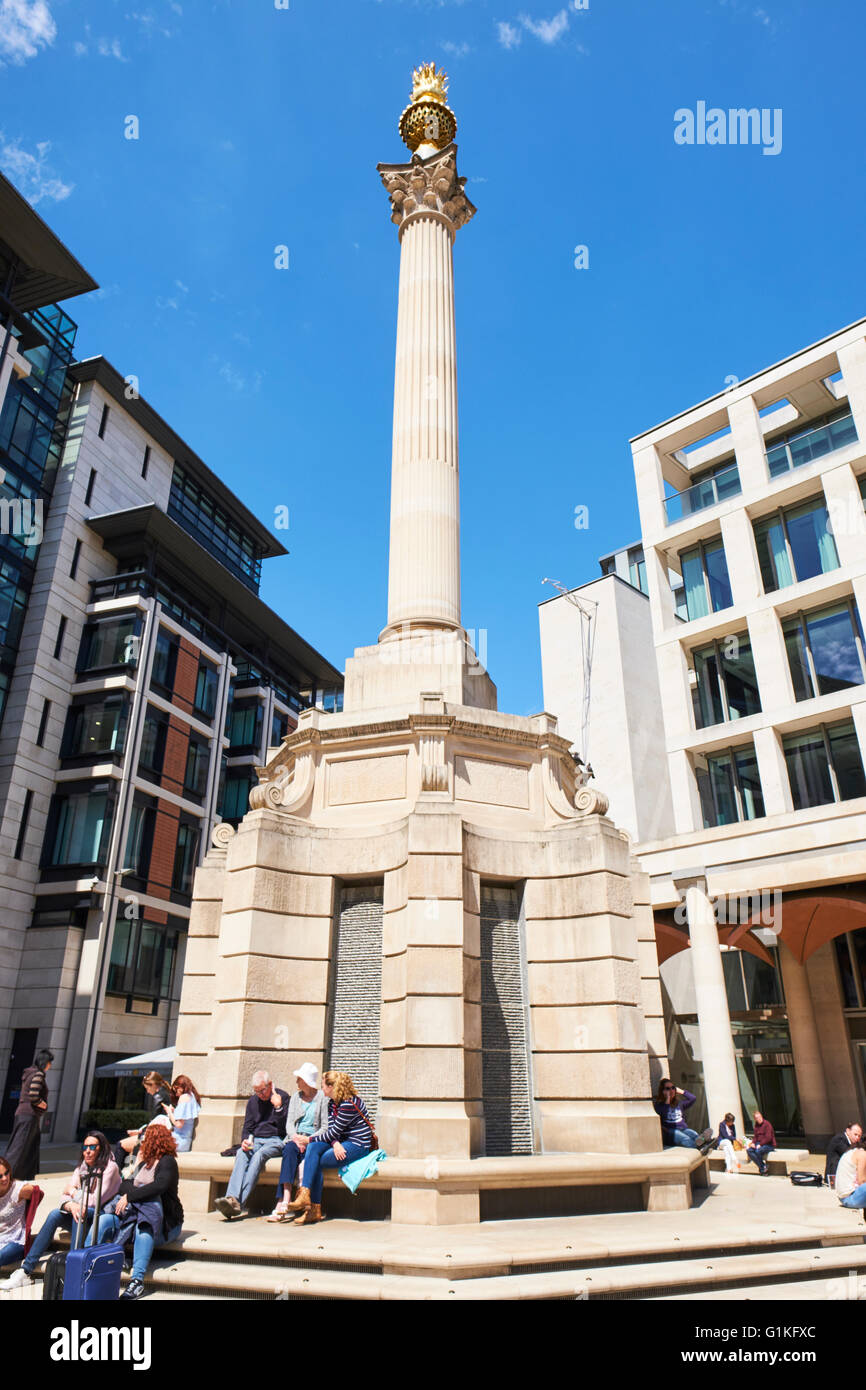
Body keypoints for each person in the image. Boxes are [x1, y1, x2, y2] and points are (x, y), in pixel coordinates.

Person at [3, 1131, 120, 1291]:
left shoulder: (110, 1168)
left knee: (80, 1212)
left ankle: (73, 1270)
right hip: (81, 1215)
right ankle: (26, 1270)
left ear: (102, 1148)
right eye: (85, 1147)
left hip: (101, 1218)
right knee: (55, 1214)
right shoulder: (82, 1168)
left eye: (92, 1147)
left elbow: (94, 1201)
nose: (87, 1150)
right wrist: (70, 1205)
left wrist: (73, 1193)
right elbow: (63, 1199)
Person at [101, 1121, 184, 1301]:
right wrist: (132, 1190)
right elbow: (124, 1185)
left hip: (165, 1226)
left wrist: (131, 1196)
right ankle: (90, 1263)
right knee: (105, 1221)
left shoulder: (167, 1162)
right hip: (133, 1217)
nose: (141, 1143)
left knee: (144, 1224)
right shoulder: (143, 1164)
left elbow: (159, 1186)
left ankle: (137, 1281)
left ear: (155, 1141)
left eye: (144, 1140)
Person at [284, 1070, 375, 1227]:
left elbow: (333, 1132)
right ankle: (307, 1197)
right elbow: (331, 1131)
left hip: (358, 1144)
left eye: (323, 1086)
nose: (321, 1090)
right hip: (341, 1141)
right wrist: (335, 1143)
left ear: (332, 1087)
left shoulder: (348, 1104)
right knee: (314, 1148)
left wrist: (309, 1139)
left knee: (317, 1158)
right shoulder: (333, 1103)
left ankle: (312, 1206)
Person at [214, 1071, 290, 1220]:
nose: (260, 1094)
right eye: (256, 1091)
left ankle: (238, 1204)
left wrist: (279, 1107)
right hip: (256, 1140)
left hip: (276, 1140)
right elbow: (248, 1127)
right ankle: (231, 1198)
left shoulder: (283, 1097)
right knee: (242, 1153)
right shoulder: (253, 1101)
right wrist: (245, 1140)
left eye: (262, 1090)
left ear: (270, 1085)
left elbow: (285, 1128)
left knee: (259, 1157)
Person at [266, 1063, 329, 1222]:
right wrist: (296, 1138)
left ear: (307, 1081)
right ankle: (285, 1198)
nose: (296, 1082)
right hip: (295, 1138)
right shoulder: (295, 1097)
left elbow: (325, 1126)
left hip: (312, 1139)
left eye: (299, 1079)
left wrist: (308, 1140)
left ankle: (299, 1202)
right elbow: (289, 1124)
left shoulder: (322, 1098)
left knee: (307, 1157)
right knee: (289, 1151)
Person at [3, 1049, 53, 1181]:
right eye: (49, 1063)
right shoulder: (38, 1074)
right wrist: (44, 1105)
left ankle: (22, 1177)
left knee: (27, 1148)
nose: (50, 1066)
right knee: (19, 1148)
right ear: (45, 1062)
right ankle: (5, 1177)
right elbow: (33, 1095)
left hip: (25, 1114)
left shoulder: (30, 1073)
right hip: (29, 1115)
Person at [112, 1071, 174, 1171]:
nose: (147, 1091)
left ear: (153, 1085)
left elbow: (153, 1121)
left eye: (147, 1088)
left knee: (121, 1145)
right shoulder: (165, 1094)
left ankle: (116, 1175)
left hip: (152, 1136)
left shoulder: (158, 1097)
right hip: (160, 1134)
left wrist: (139, 1131)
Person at [653, 1079, 714, 1152]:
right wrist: (667, 1099)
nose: (671, 1090)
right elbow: (664, 1113)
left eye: (673, 1088)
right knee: (685, 1138)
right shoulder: (659, 1105)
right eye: (668, 1088)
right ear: (663, 1091)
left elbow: (693, 1098)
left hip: (683, 1129)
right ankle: (701, 1146)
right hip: (669, 1132)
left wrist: (681, 1091)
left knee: (694, 1134)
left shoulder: (679, 1103)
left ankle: (705, 1142)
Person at [0, 1157, 35, 1273]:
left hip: (16, 1241)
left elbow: (37, 1192)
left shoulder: (18, 1189)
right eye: (0, 1176)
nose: (5, 1178)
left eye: (6, 1173)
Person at [165, 1076, 201, 1154]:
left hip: (178, 1140)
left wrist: (169, 1112)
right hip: (184, 1142)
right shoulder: (191, 1096)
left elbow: (179, 1124)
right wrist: (174, 1111)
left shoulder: (184, 1097)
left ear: (181, 1087)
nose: (176, 1094)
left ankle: (135, 1163)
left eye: (176, 1090)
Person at [825, 1122, 862, 1187]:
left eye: (859, 1136)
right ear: (848, 1131)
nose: (857, 1138)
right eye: (855, 1134)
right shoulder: (839, 1139)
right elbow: (851, 1155)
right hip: (833, 1177)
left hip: (841, 1177)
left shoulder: (851, 1142)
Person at [834, 1139, 866, 1213]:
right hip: (850, 1198)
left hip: (845, 1198)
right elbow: (862, 1181)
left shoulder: (852, 1151)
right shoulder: (862, 1154)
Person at [746, 1110, 777, 1175]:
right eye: (757, 1118)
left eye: (759, 1117)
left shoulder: (767, 1124)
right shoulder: (756, 1125)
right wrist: (753, 1143)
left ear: (761, 1116)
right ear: (755, 1119)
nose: (759, 1119)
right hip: (759, 1144)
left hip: (769, 1144)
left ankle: (762, 1169)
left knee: (758, 1151)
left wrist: (760, 1144)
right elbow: (755, 1136)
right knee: (749, 1151)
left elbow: (768, 1138)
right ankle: (763, 1167)